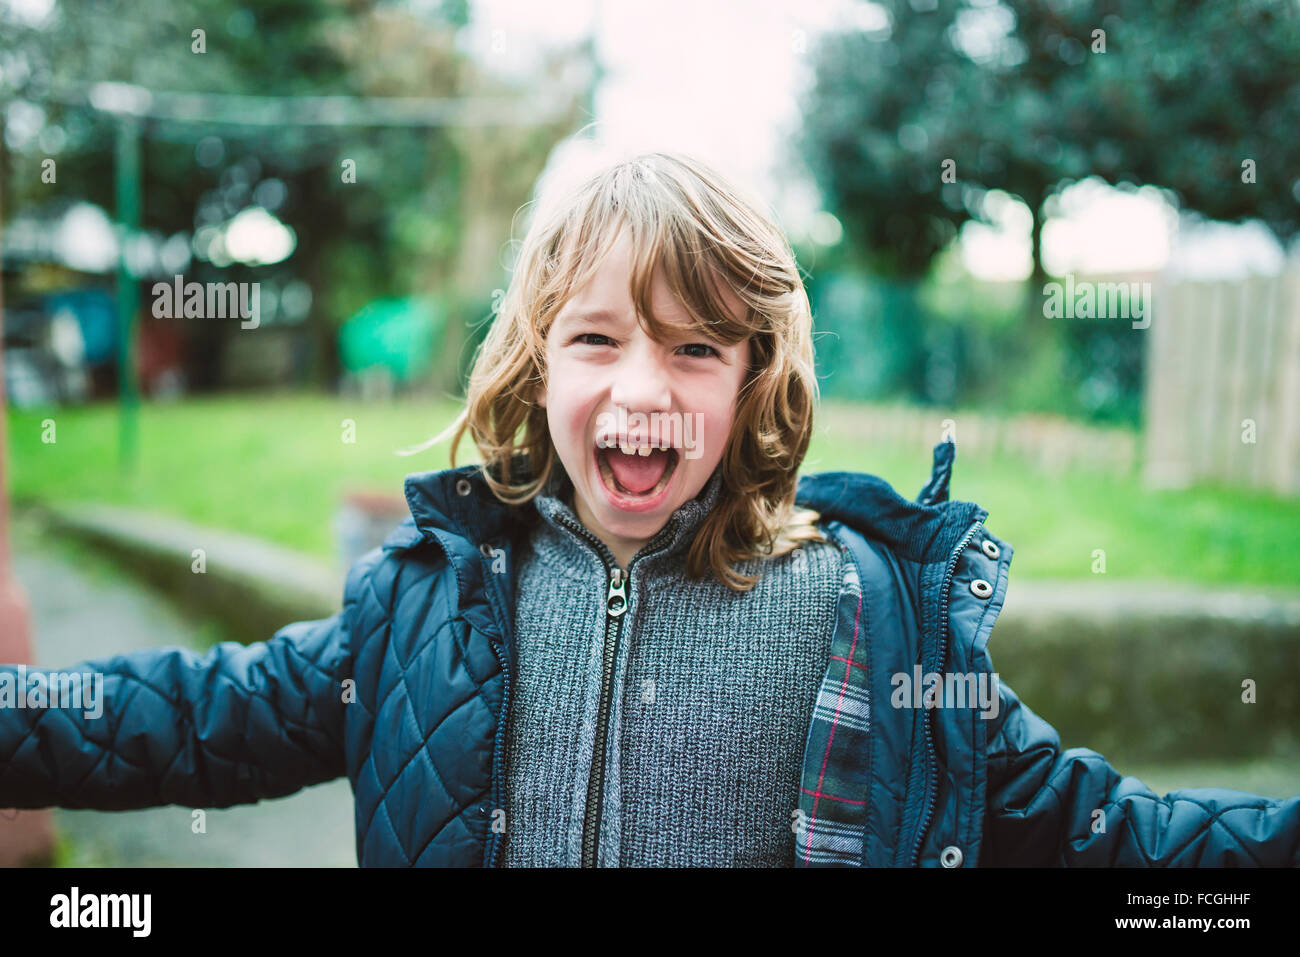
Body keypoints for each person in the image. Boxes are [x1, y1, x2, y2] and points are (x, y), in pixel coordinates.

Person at [2, 151, 1297, 867]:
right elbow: (184, 718)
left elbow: (1102, 828)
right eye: (598, 340)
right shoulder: (429, 602)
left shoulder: (865, 618)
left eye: (693, 350)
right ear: (536, 364)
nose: (641, 387)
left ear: (754, 381)